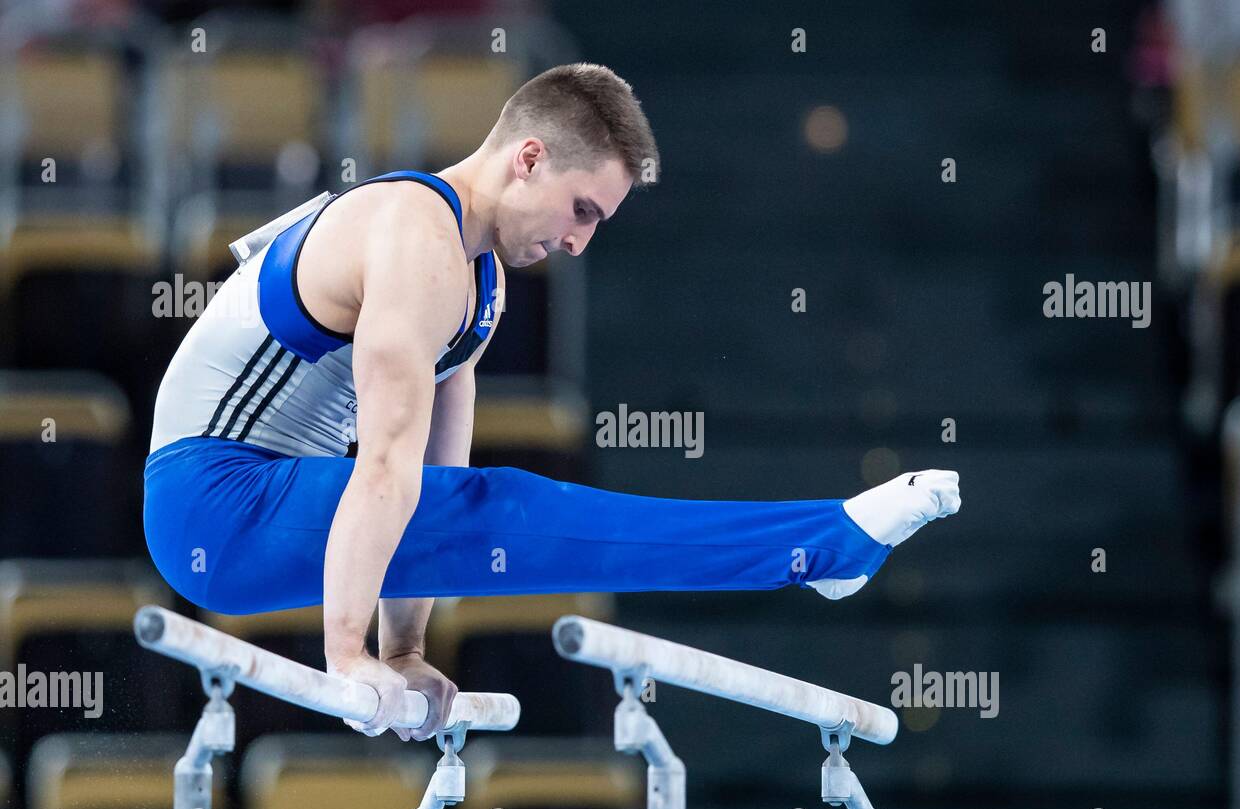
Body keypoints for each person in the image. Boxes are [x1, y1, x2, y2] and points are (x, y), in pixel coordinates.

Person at [143, 63, 961, 742]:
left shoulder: (481, 281)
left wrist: (403, 649)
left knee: (481, 504)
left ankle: (816, 549)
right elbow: (388, 466)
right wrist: (346, 655)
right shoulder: (411, 235)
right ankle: (820, 545)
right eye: (582, 210)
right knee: (512, 508)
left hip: (274, 499)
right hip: (209, 503)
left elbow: (433, 490)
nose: (578, 242)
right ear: (528, 158)